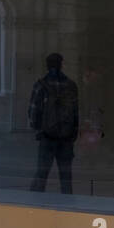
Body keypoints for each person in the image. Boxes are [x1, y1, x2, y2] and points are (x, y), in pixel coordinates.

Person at [28, 53, 78, 195]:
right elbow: (76, 113)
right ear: (61, 65)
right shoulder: (71, 85)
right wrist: (72, 134)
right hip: (66, 138)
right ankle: (68, 207)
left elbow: (33, 112)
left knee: (41, 175)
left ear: (47, 65)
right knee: (66, 178)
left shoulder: (40, 85)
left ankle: (35, 207)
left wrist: (38, 131)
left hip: (47, 137)